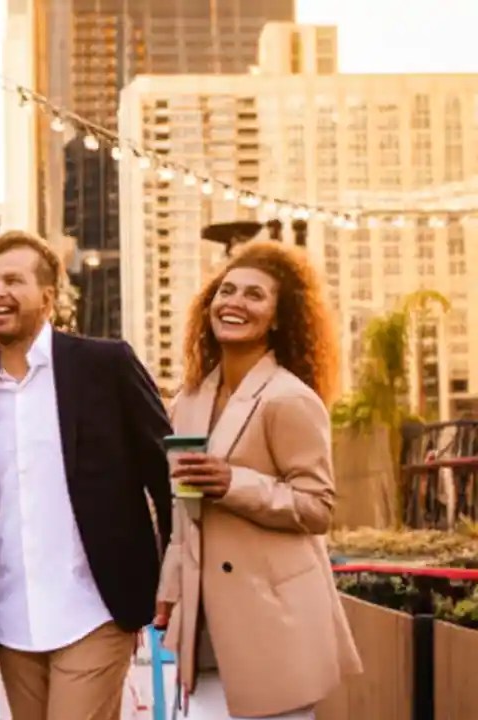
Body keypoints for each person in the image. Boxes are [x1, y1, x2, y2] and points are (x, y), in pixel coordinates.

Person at [0, 230, 171, 720]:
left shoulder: (106, 365)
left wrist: (175, 572)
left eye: (13, 280)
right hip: (11, 615)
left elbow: (166, 476)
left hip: (95, 606)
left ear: (48, 298)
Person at [155, 240, 362, 719]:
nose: (234, 303)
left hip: (273, 623)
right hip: (203, 627)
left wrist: (233, 484)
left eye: (254, 295)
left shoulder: (289, 399)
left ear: (278, 318)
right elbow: (182, 512)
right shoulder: (188, 401)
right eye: (226, 291)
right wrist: (169, 587)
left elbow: (317, 507)